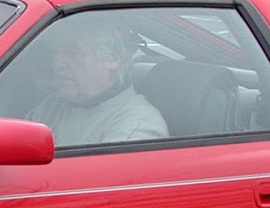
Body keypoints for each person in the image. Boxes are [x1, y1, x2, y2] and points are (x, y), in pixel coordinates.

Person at [28, 14, 167, 145]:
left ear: (112, 58)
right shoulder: (53, 106)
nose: (56, 63)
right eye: (55, 52)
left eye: (73, 52)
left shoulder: (136, 128)